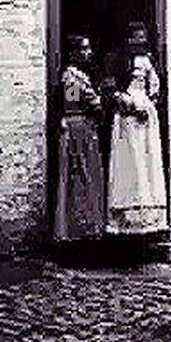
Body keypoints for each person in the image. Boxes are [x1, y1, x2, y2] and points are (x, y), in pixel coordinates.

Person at [105, 22, 168, 236]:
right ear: (128, 39)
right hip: (127, 118)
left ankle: (148, 217)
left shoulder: (148, 60)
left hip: (146, 117)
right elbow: (111, 89)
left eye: (142, 38)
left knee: (147, 161)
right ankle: (126, 219)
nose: (139, 42)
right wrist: (130, 104)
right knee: (129, 162)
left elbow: (155, 86)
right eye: (135, 38)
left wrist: (149, 103)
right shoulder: (116, 60)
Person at [53, 34, 105, 242]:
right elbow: (73, 103)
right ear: (74, 53)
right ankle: (78, 226)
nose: (88, 53)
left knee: (86, 175)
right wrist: (97, 103)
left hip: (84, 128)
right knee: (78, 175)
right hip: (78, 131)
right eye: (83, 49)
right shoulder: (72, 78)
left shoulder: (79, 76)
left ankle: (86, 224)